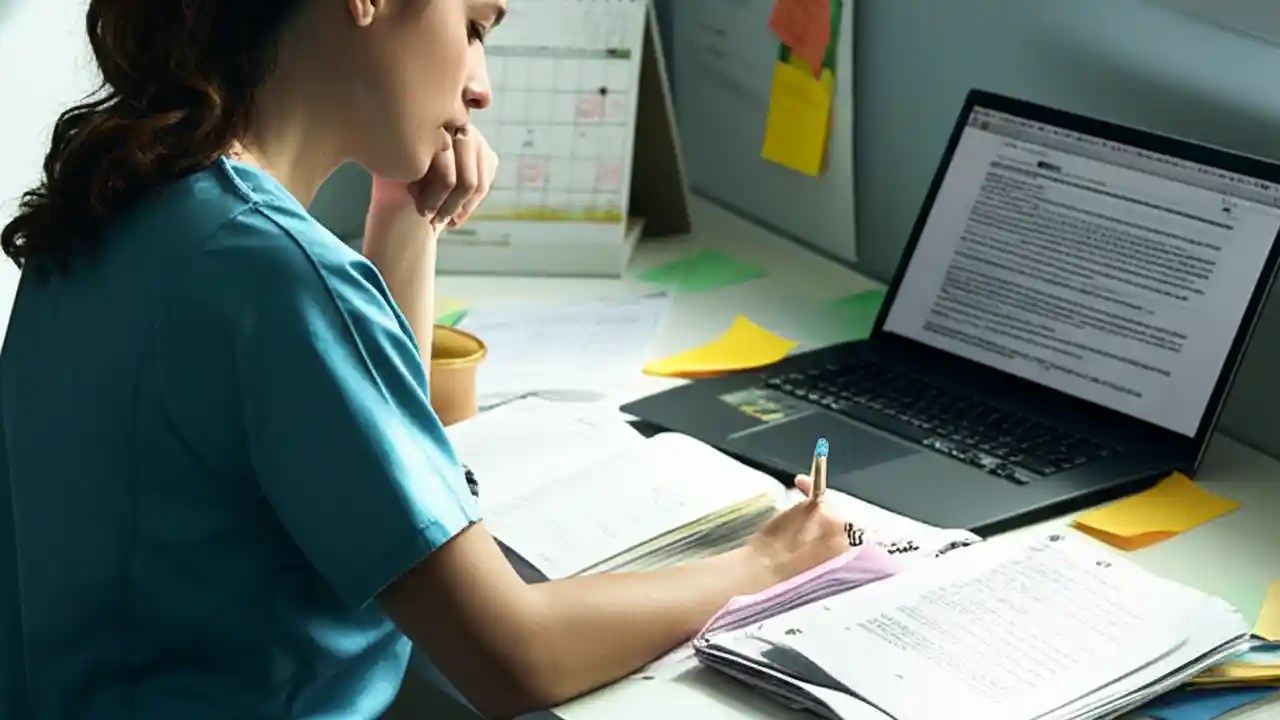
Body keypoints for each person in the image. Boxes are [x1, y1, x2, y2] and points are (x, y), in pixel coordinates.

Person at [0, 1, 857, 718]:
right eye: (475, 25)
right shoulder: (272, 273)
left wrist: (402, 215)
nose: (480, 86)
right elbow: (512, 656)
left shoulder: (121, 200)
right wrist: (766, 562)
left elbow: (363, 439)